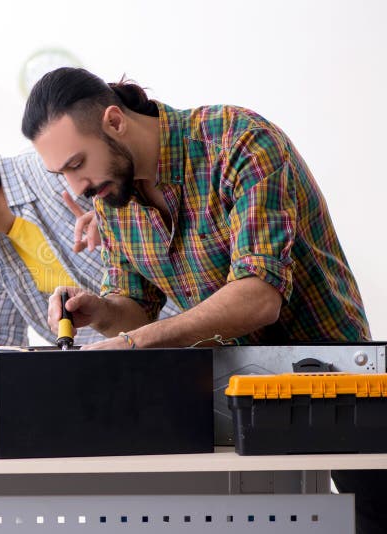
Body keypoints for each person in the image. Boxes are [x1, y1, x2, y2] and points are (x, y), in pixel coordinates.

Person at [21, 67, 380, 533]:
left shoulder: (239, 141)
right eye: (61, 175)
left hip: (331, 377)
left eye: (75, 164)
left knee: (372, 512)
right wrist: (101, 311)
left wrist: (135, 343)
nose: (77, 189)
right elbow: (132, 305)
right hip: (226, 392)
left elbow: (258, 296)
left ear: (114, 121)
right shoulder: (112, 199)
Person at [0, 136, 179, 347]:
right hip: (120, 370)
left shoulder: (47, 172)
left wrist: (112, 218)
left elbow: (149, 185)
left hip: (183, 336)